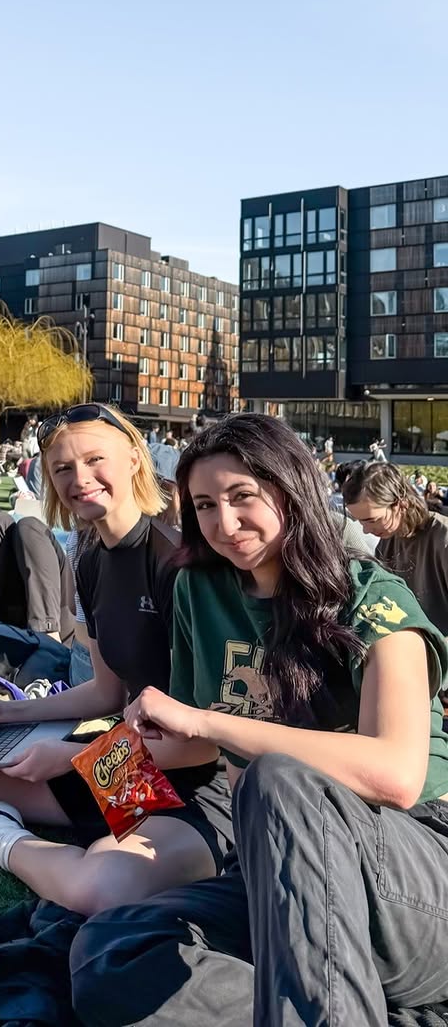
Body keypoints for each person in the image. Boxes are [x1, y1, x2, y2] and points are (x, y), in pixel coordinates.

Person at [68, 412, 448, 1026]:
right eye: (205, 505)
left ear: (291, 488)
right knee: (108, 950)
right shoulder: (199, 588)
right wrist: (70, 762)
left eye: (243, 496)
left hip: (416, 878)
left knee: (278, 779)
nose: (224, 522)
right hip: (286, 879)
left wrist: (209, 724)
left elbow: (397, 776)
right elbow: (188, 747)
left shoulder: (374, 598)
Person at [0, 402, 229, 916]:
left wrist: (72, 758)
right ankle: (52, 826)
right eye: (63, 468)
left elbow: (205, 744)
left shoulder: (177, 564)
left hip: (197, 787)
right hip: (127, 767)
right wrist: (10, 713)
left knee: (103, 886)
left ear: (135, 459)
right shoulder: (91, 558)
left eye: (95, 461)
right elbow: (108, 693)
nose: (80, 480)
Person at [343, 460, 448, 637]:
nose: (365, 530)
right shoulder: (388, 539)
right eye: (360, 521)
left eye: (372, 520)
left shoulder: (442, 537)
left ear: (401, 504)